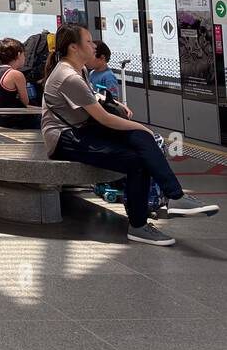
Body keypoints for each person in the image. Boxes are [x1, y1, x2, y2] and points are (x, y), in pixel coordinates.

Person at [42, 23, 218, 245]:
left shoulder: (81, 70)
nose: (93, 45)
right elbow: (104, 119)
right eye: (88, 41)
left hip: (82, 128)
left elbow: (94, 101)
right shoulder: (69, 76)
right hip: (63, 138)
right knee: (136, 158)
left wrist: (120, 109)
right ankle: (139, 225)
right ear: (74, 48)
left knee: (141, 140)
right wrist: (140, 126)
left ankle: (176, 197)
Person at [0, 37, 36, 128]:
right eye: (24, 55)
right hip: (14, 120)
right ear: (18, 54)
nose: (25, 57)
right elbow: (26, 102)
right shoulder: (15, 74)